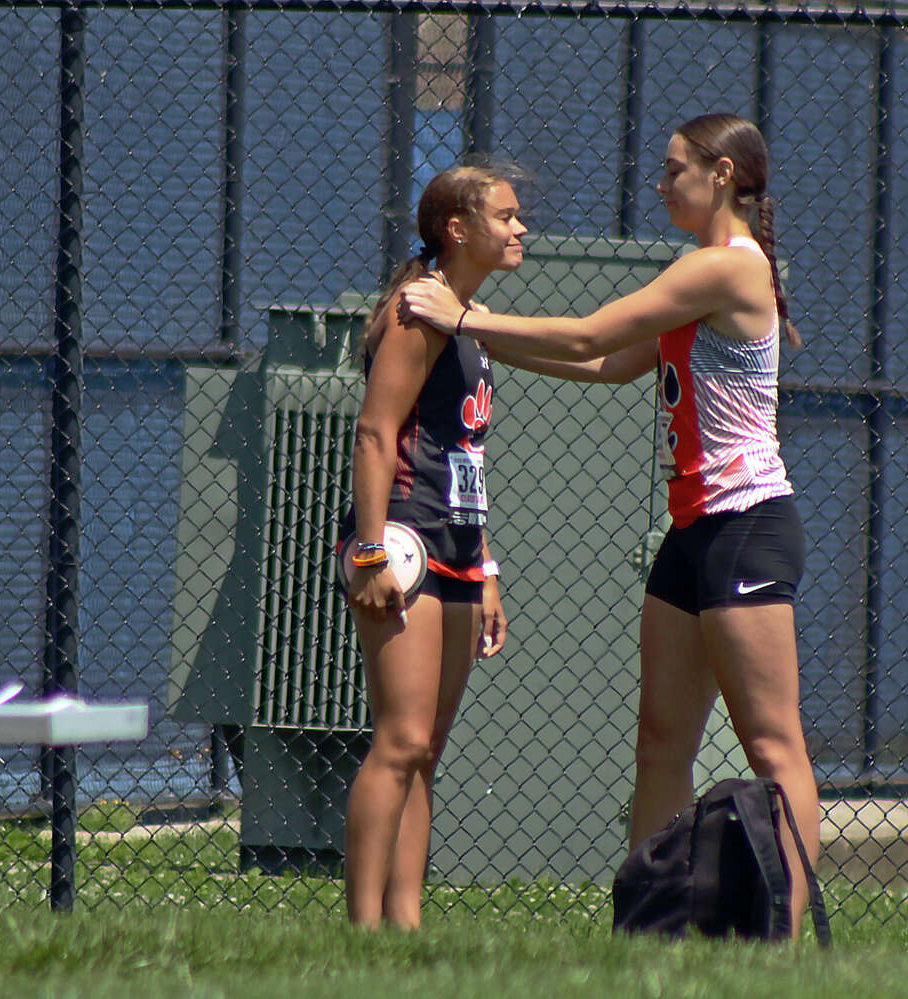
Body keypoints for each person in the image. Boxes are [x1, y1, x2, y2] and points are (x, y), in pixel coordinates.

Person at [400, 113, 820, 937]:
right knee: (661, 741)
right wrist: (474, 336)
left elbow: (593, 329)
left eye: (673, 171)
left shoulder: (732, 270)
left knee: (773, 748)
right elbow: (604, 362)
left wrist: (463, 318)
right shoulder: (692, 270)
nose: (659, 185)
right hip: (691, 534)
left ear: (723, 174)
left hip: (748, 527)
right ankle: (649, 927)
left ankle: (786, 936)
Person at [339, 164, 526, 929]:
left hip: (457, 550)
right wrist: (371, 552)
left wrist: (485, 570)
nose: (521, 229)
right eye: (507, 216)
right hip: (406, 540)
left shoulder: (467, 319)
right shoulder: (418, 314)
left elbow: (467, 457)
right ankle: (361, 927)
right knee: (401, 738)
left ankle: (405, 926)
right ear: (459, 228)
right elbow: (376, 432)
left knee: (429, 749)